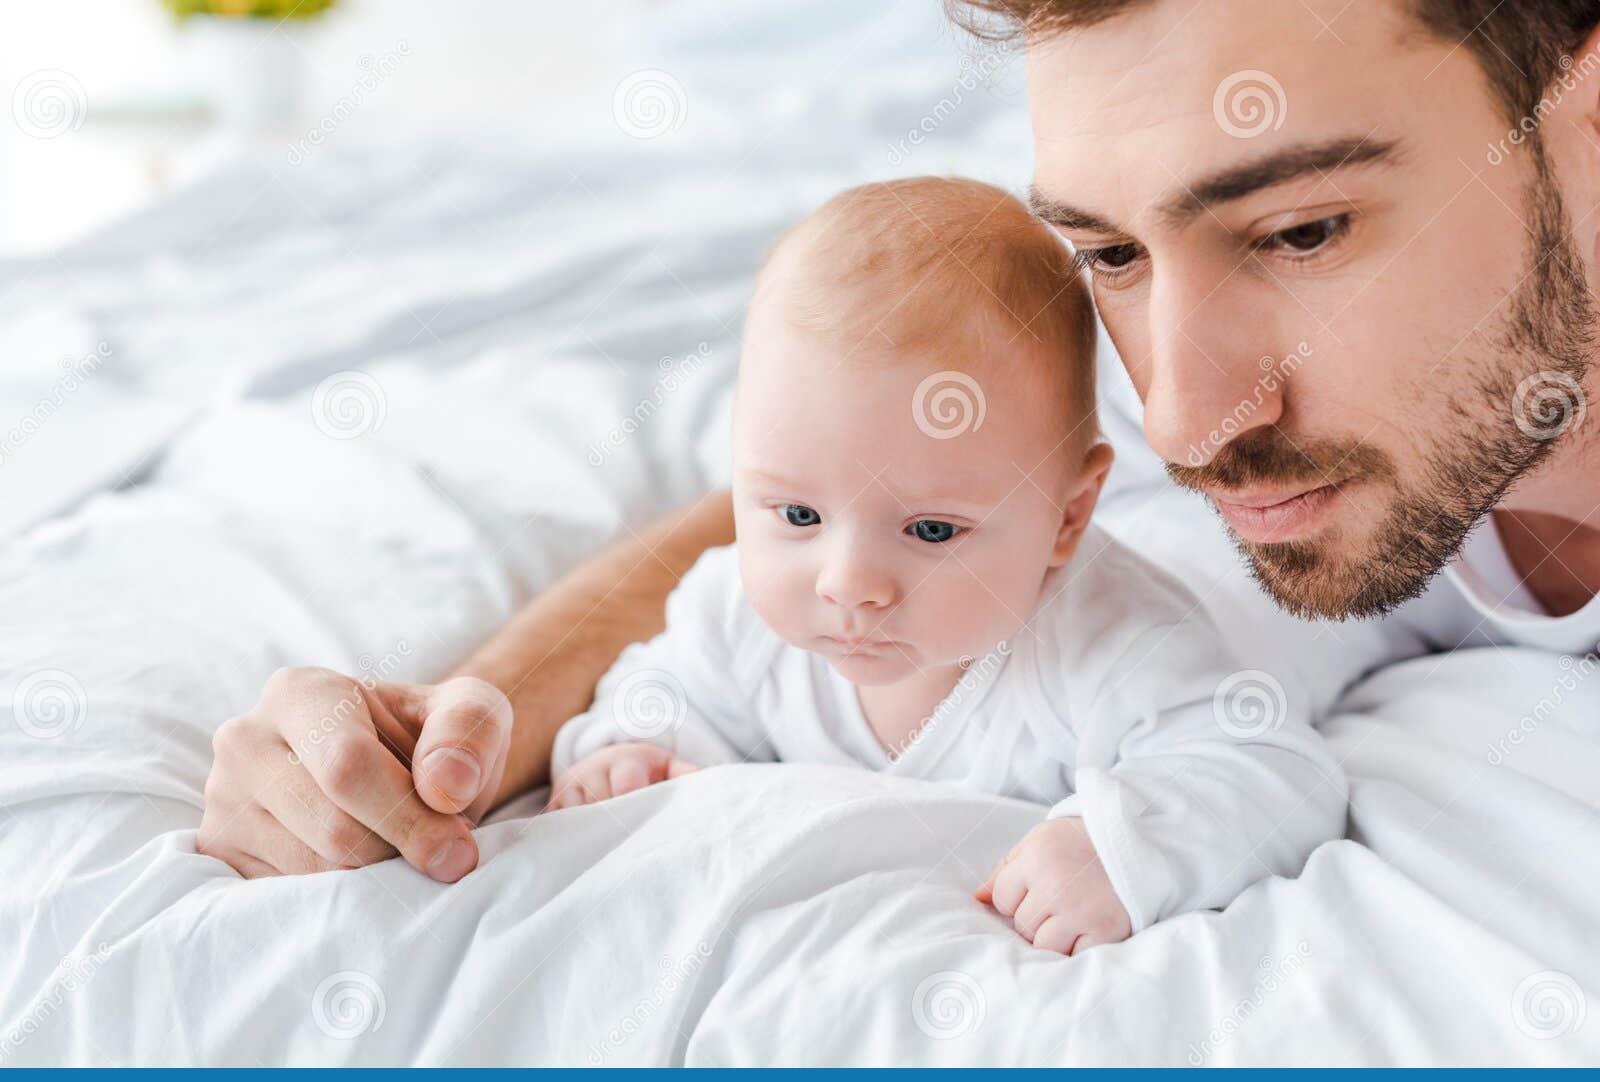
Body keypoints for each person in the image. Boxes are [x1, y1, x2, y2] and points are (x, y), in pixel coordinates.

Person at [197, 0, 1600, 882]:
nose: (1179, 417)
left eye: (1303, 232)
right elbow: (815, 507)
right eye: (1108, 248)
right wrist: (447, 734)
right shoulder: (1162, 369)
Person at [544, 176, 1343, 955]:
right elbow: (667, 692)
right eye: (798, 516)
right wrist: (626, 754)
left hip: (1259, 590)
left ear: (1068, 515)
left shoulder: (1121, 640)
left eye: (930, 530)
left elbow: (1277, 772)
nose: (848, 582)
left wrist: (1122, 846)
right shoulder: (734, 611)